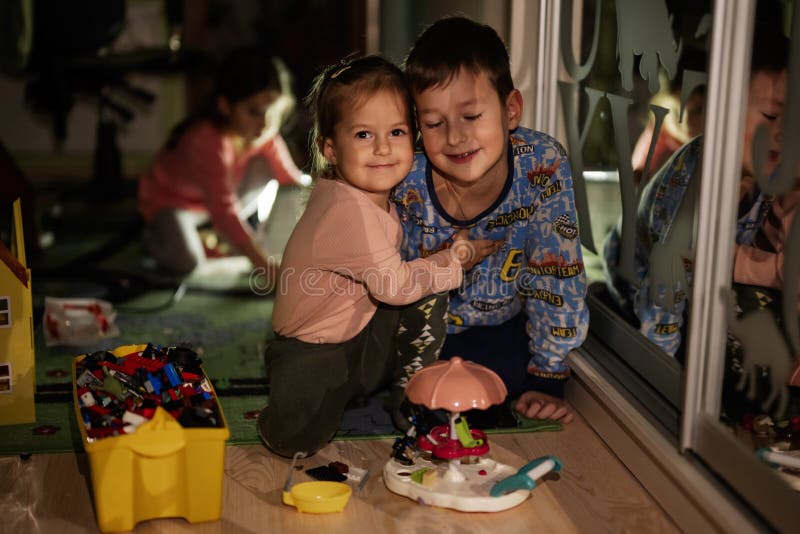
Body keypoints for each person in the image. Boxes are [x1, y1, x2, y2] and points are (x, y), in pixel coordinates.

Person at [257, 55, 482, 458]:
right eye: (363, 135)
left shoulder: (367, 191)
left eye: (395, 131)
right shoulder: (349, 210)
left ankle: (406, 393)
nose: (382, 148)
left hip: (356, 333)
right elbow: (395, 286)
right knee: (296, 441)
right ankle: (298, 398)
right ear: (330, 147)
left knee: (426, 288)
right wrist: (455, 260)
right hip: (310, 353)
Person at [393, 16, 589, 424]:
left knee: (509, 379)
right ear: (417, 127)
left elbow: (557, 275)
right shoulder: (405, 174)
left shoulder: (543, 165)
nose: (455, 137)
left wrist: (548, 375)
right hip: (413, 327)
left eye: (472, 116)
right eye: (434, 124)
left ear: (510, 109)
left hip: (500, 328)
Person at [602, 24, 789, 359]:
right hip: (636, 283)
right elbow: (663, 294)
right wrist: (664, 379)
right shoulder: (694, 183)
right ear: (725, 112)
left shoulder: (768, 169)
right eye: (771, 115)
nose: (784, 132)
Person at [138, 47, 307, 279]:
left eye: (273, 112)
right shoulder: (205, 140)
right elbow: (223, 209)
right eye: (254, 112)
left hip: (214, 206)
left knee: (275, 176)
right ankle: (156, 238)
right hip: (174, 206)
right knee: (186, 262)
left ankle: (229, 240)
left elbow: (292, 179)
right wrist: (264, 266)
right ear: (225, 106)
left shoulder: (263, 133)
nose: (265, 123)